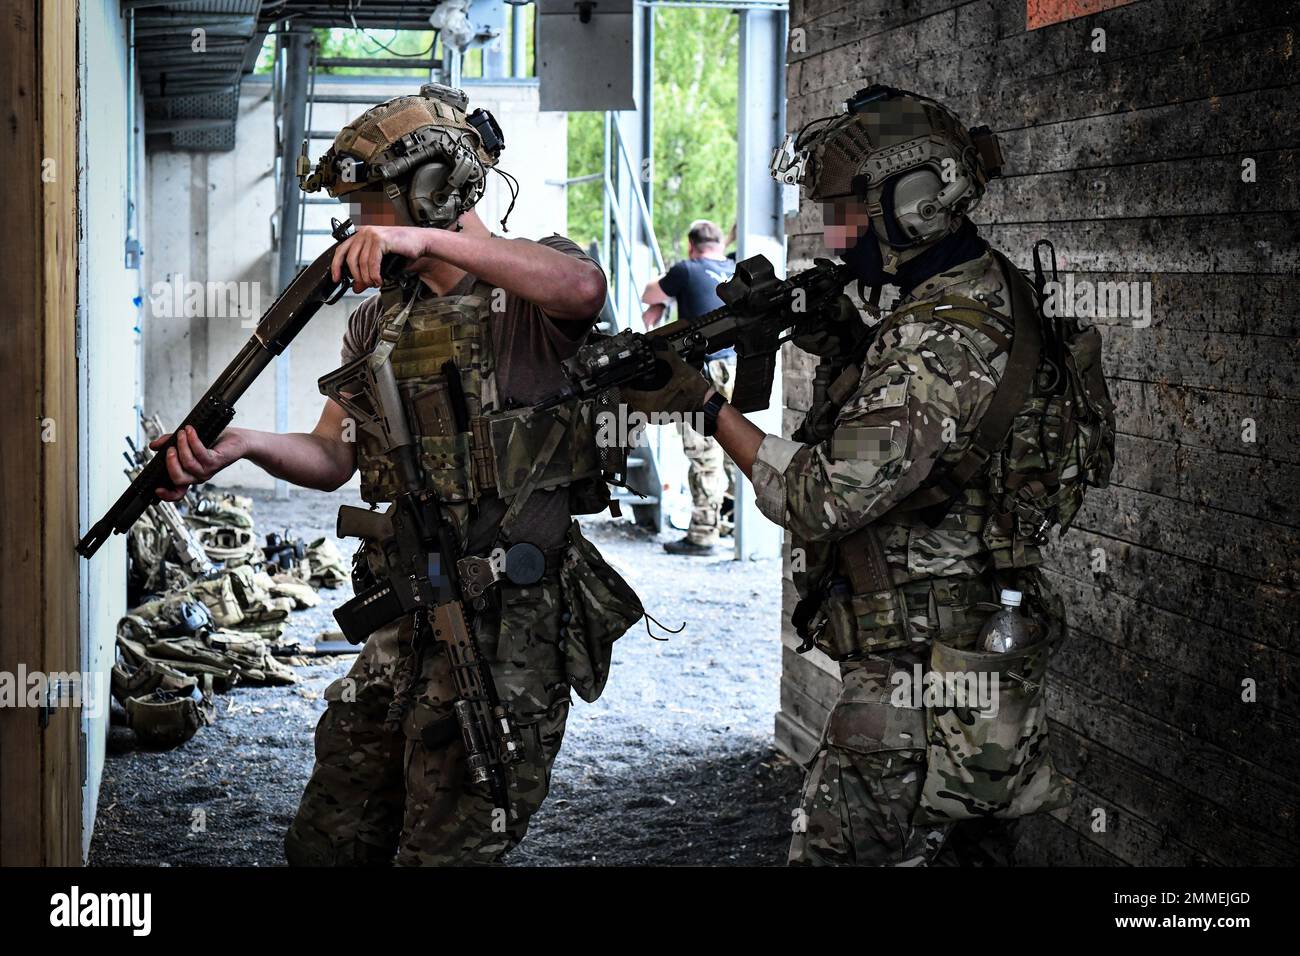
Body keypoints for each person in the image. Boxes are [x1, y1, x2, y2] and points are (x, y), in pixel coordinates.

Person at [149, 84, 642, 865]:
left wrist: (431, 244)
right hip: (403, 617)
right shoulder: (376, 321)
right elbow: (333, 456)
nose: (355, 228)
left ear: (433, 193)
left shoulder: (530, 289)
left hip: (506, 634)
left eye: (370, 207)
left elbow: (582, 288)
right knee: (329, 842)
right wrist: (240, 445)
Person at [622, 85, 1115, 865]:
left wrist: (703, 405)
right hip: (974, 641)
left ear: (915, 201)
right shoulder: (990, 290)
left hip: (917, 664)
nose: (833, 229)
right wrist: (847, 339)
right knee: (965, 853)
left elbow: (821, 495)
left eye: (847, 208)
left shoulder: (937, 338)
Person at [640, 220, 737, 555]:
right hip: (736, 367)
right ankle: (729, 521)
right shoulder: (734, 267)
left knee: (702, 452)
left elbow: (649, 293)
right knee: (730, 449)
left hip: (704, 371)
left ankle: (702, 534)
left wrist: (663, 302)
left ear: (691, 244)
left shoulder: (686, 269)